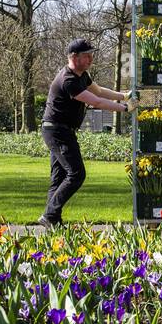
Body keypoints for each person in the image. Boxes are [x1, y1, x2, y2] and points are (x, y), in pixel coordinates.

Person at [38, 39, 132, 227]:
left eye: (91, 54)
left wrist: (123, 96)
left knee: (59, 177)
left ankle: (52, 220)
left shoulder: (81, 75)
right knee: (76, 174)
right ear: (74, 57)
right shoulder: (68, 80)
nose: (91, 58)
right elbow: (96, 101)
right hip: (57, 130)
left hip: (61, 130)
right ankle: (49, 215)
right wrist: (125, 108)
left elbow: (98, 90)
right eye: (86, 55)